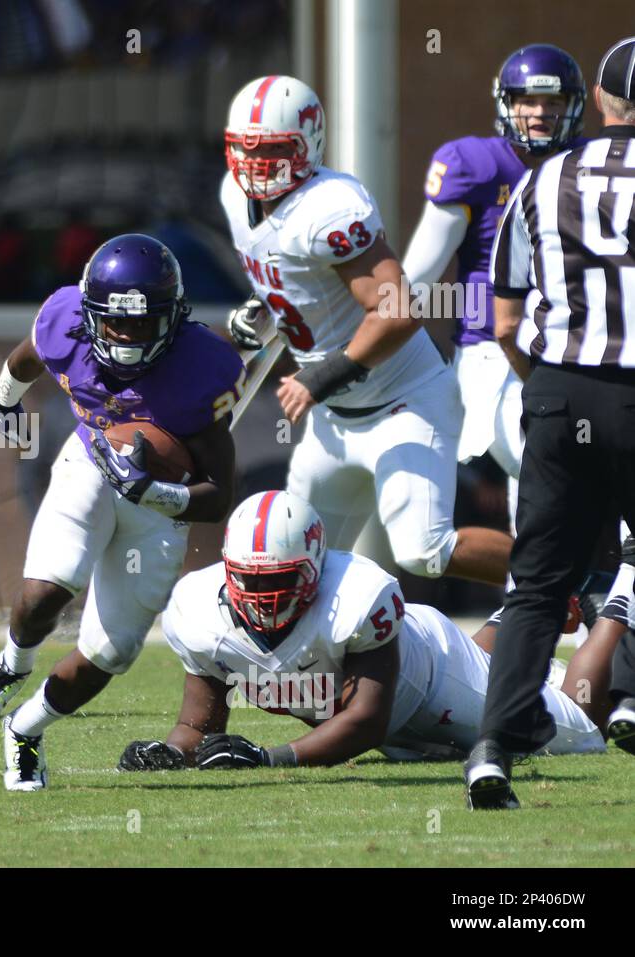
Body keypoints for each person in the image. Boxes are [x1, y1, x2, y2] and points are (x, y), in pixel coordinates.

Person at [0, 234, 244, 790]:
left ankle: (25, 729)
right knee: (48, 589)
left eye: (144, 322)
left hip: (162, 508)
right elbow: (22, 361)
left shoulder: (200, 368)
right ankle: (12, 665)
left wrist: (157, 494)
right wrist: (2, 403)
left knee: (110, 652)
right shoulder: (63, 322)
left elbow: (220, 493)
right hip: (91, 461)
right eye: (116, 322)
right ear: (90, 314)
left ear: (174, 318)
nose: (130, 336)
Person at [221, 75, 512, 588]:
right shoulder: (234, 197)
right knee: (292, 564)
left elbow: (398, 310)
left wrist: (323, 374)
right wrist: (265, 312)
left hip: (404, 402)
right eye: (244, 150)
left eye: (271, 151)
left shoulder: (328, 206)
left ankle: (571, 578)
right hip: (335, 420)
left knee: (424, 550)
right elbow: (299, 281)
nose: (254, 166)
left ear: (308, 145)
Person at [117, 491, 603, 773]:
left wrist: (269, 758)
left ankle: (613, 595)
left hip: (436, 677)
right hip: (392, 725)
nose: (265, 596)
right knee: (423, 754)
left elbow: (367, 719)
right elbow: (199, 728)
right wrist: (170, 752)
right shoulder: (199, 611)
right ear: (228, 570)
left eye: (282, 579)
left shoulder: (356, 596)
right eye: (252, 579)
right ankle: (522, 640)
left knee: (583, 733)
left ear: (314, 568)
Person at [468, 37, 635, 809]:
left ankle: (494, 745)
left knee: (537, 583)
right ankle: (626, 695)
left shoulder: (540, 180)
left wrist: (551, 394)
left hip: (560, 393)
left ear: (598, 102)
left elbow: (503, 319)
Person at [402, 44, 585, 536]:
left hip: (574, 349)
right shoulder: (474, 164)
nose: (541, 113)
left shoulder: (587, 164)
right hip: (493, 352)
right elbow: (417, 277)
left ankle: (537, 601)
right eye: (528, 100)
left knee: (543, 497)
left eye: (553, 102)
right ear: (506, 103)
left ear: (574, 105)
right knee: (554, 472)